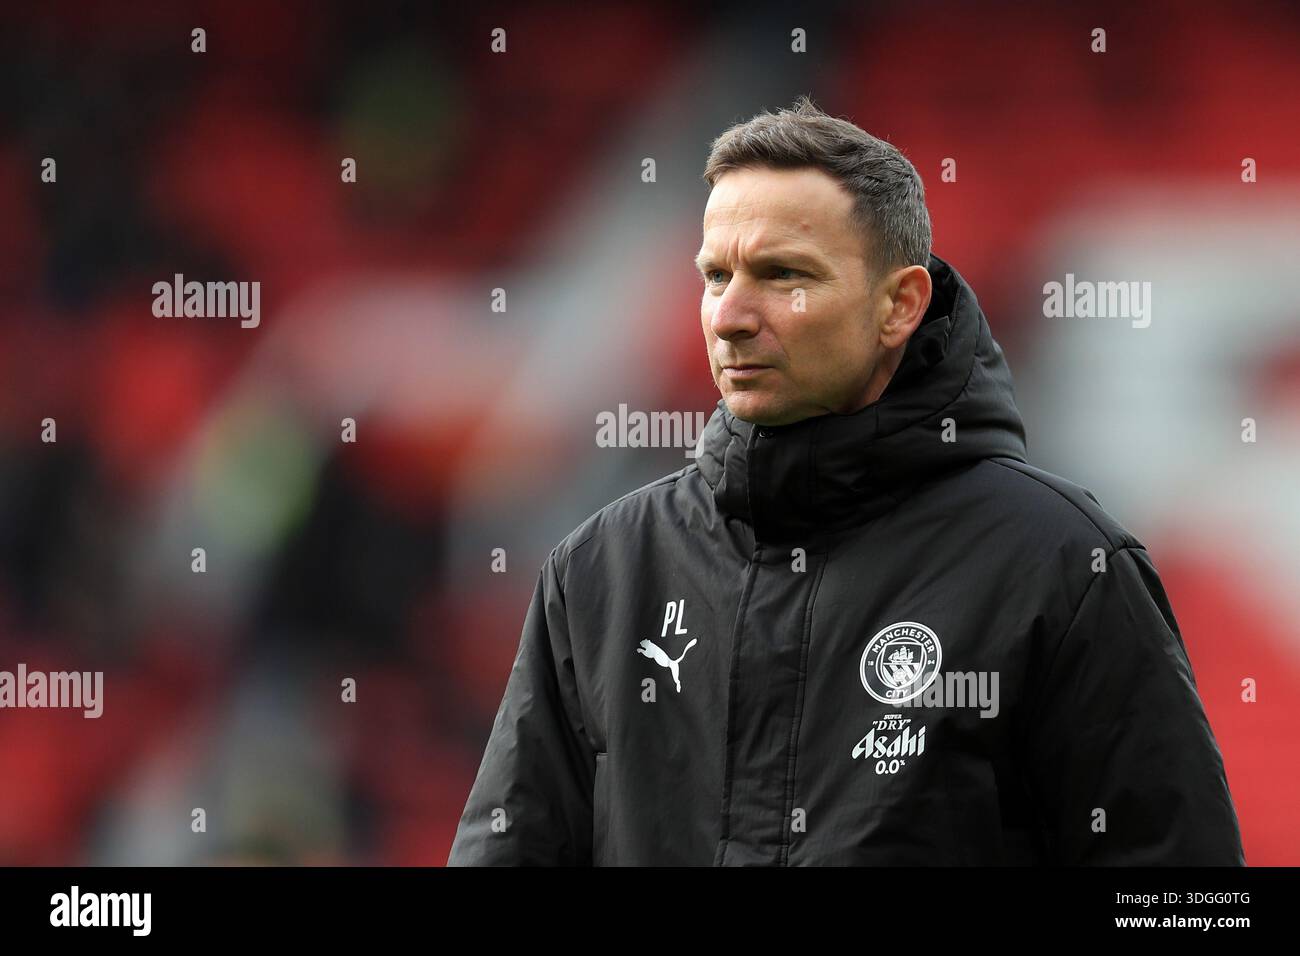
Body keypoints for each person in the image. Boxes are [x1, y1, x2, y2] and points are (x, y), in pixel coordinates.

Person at [446, 96, 1245, 866]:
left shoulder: (1063, 567)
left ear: (899, 305)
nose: (728, 315)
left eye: (783, 274)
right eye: (715, 276)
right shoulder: (602, 571)